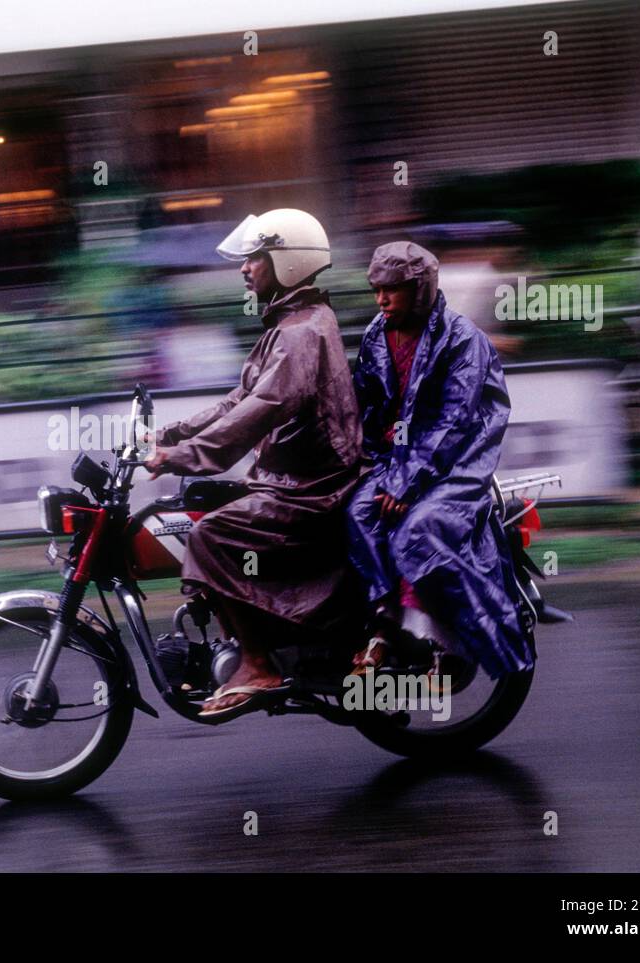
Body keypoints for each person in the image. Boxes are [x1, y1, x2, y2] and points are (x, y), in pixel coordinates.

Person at [144, 209, 365, 719]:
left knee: (207, 536)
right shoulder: (289, 324)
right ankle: (250, 641)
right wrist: (168, 436)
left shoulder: (299, 334)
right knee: (198, 507)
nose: (245, 269)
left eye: (255, 258)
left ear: (286, 262)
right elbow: (236, 402)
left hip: (311, 489)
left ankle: (259, 664)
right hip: (292, 479)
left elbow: (259, 413)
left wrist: (182, 457)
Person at [344, 240, 534, 683]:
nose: (381, 299)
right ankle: (385, 619)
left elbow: (454, 423)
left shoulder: (464, 339)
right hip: (399, 463)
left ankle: (448, 645)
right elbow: (365, 404)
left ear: (421, 289)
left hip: (457, 465)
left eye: (392, 289)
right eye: (376, 289)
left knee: (418, 530)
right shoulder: (377, 334)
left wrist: (407, 480)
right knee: (357, 513)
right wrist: (355, 453)